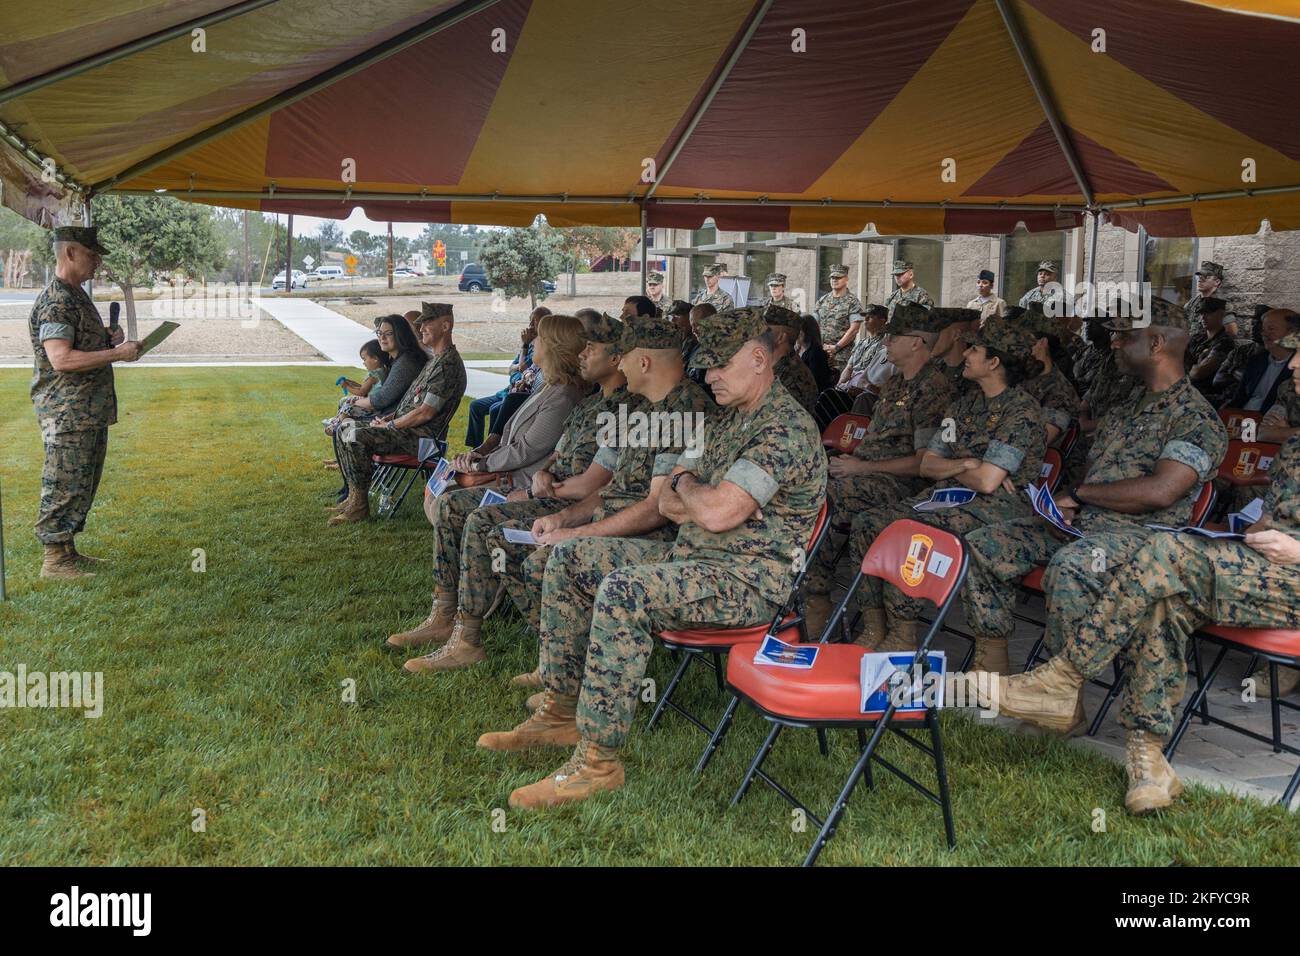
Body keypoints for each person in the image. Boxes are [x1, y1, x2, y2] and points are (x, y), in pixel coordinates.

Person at [476, 306, 826, 810]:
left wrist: (691, 489)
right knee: (572, 556)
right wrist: (692, 490)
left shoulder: (783, 429)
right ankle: (560, 710)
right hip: (692, 560)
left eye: (720, 366)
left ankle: (598, 762)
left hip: (747, 583)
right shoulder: (726, 419)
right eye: (705, 366)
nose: (709, 377)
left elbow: (721, 513)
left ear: (757, 358)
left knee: (625, 589)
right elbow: (667, 502)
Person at [973, 334, 1300, 813]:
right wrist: (1253, 533)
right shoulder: (1295, 450)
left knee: (1165, 552)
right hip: (1264, 572)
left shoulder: (1193, 415)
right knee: (1163, 595)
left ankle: (1061, 680)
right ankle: (1148, 762)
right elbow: (1275, 517)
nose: (1291, 365)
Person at [960, 297, 1227, 680]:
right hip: (1085, 525)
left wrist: (1080, 496)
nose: (1114, 343)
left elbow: (1162, 491)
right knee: (985, 544)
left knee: (1072, 567)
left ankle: (1062, 693)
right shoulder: (1124, 407)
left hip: (1143, 540)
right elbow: (1095, 471)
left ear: (1155, 344)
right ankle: (990, 667)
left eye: (1123, 335)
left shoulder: (1194, 417)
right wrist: (1065, 505)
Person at [390, 312, 630, 669]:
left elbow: (590, 479)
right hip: (545, 489)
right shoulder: (588, 401)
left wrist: (530, 486)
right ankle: (449, 615)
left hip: (563, 500)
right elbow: (555, 453)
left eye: (590, 348)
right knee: (457, 507)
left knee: (472, 516)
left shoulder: (605, 405)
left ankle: (468, 633)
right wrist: (538, 473)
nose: (532, 342)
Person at [491, 317, 713, 693]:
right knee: (526, 550)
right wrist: (561, 517)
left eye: (623, 356)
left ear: (642, 362)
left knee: (550, 561)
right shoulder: (642, 408)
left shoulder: (686, 411)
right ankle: (559, 661)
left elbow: (655, 508)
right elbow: (612, 489)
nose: (620, 366)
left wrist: (575, 533)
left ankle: (567, 676)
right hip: (613, 518)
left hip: (658, 536)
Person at [846, 322, 1047, 652]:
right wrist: (967, 464)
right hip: (946, 495)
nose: (965, 354)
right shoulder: (963, 406)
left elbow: (988, 482)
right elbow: (928, 465)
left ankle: (902, 635)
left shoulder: (1021, 411)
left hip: (999, 506)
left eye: (974, 350)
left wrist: (961, 467)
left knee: (911, 531)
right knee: (868, 523)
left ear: (994, 362)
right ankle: (875, 627)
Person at [803, 302, 956, 636]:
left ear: (917, 342)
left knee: (826, 499)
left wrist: (860, 467)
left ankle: (837, 612)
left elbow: (923, 463)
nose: (885, 341)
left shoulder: (933, 388)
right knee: (804, 488)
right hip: (865, 473)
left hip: (899, 484)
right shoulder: (897, 384)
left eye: (894, 336)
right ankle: (812, 603)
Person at [28, 225, 142, 579]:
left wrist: (108, 340)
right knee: (63, 485)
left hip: (87, 410)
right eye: (92, 254)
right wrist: (117, 354)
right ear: (71, 253)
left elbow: (79, 345)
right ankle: (54, 561)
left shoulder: (74, 295)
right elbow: (60, 359)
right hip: (68, 412)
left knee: (81, 484)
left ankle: (67, 553)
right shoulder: (57, 301)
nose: (98, 261)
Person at [329, 303, 467, 524]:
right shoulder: (437, 361)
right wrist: (389, 419)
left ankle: (360, 506)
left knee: (352, 434)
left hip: (422, 439)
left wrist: (391, 426)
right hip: (407, 430)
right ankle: (355, 498)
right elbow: (412, 404)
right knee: (345, 429)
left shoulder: (447, 365)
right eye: (419, 325)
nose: (420, 329)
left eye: (426, 324)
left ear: (445, 326)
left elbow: (425, 413)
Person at [465, 307, 545, 448]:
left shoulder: (540, 347)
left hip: (520, 393)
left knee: (495, 409)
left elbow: (522, 368)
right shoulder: (531, 344)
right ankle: (476, 447)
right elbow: (511, 369)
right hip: (508, 390)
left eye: (536, 321)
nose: (531, 325)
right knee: (475, 406)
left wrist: (524, 346)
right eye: (530, 321)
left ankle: (491, 448)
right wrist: (519, 366)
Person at [813, 304, 890, 428]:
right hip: (851, 384)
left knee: (829, 398)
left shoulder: (886, 344)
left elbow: (877, 374)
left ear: (883, 320)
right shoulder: (862, 342)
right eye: (865, 317)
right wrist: (841, 384)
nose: (865, 320)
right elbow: (849, 367)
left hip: (865, 388)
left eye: (870, 317)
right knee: (828, 394)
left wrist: (861, 387)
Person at [1018, 309, 1081, 447]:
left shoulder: (1058, 391)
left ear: (1043, 343)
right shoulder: (1027, 379)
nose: (1020, 347)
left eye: (1027, 341)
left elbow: (1038, 443)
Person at [1226, 308, 1300, 412]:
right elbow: (1238, 399)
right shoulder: (1257, 360)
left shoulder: (1297, 368)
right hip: (1241, 419)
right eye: (1263, 329)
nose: (1264, 334)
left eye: (1271, 329)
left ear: (1291, 333)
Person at [765, 304, 819, 416]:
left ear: (781, 338)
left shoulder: (794, 375)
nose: (760, 334)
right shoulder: (775, 364)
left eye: (766, 330)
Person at [815, 263, 865, 371]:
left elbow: (854, 330)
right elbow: (814, 325)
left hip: (841, 357)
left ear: (846, 279)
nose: (834, 280)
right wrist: (820, 345)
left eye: (838, 277)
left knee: (838, 386)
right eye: (832, 277)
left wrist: (836, 347)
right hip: (821, 352)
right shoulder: (822, 300)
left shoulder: (853, 302)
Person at [1185, 297, 1236, 398]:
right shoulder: (1197, 338)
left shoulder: (1225, 342)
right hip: (1186, 388)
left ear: (1221, 314)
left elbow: (1198, 373)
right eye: (1201, 313)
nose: (1203, 317)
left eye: (1208, 313)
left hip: (1203, 395)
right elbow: (1176, 360)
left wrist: (1182, 371)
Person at [928, 307, 981, 396]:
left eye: (936, 332)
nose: (929, 339)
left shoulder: (974, 376)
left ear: (956, 335)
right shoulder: (932, 368)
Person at [1185, 261, 1228, 337]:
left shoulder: (1221, 304)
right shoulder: (1191, 304)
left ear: (1217, 282)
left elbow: (1232, 331)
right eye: (1199, 276)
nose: (1200, 279)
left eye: (1205, 277)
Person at [797, 314, 834, 392]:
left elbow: (815, 381)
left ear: (807, 331)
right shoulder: (799, 350)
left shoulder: (815, 352)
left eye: (799, 330)